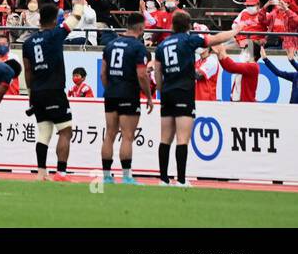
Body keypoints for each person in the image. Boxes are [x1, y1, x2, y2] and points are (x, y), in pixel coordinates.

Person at [154, 11, 236, 185]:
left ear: (172, 26)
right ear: (188, 26)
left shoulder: (162, 46)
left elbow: (157, 72)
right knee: (182, 138)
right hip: (183, 92)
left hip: (167, 93)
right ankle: (182, 180)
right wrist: (236, 31)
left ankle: (163, 179)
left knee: (165, 138)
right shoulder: (189, 40)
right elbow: (216, 39)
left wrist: (162, 90)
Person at [21, 2, 81, 180]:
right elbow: (76, 17)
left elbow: (28, 71)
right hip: (54, 90)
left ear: (39, 19)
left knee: (44, 133)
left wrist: (31, 95)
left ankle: (41, 173)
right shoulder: (56, 34)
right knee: (65, 130)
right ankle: (61, 172)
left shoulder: (28, 42)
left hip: (37, 92)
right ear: (55, 20)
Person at [100, 16, 153, 185]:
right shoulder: (139, 47)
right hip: (129, 94)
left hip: (111, 94)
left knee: (109, 134)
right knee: (127, 136)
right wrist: (149, 96)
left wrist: (110, 88)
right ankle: (126, 176)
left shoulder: (110, 45)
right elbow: (141, 75)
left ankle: (107, 176)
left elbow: (103, 73)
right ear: (141, 29)